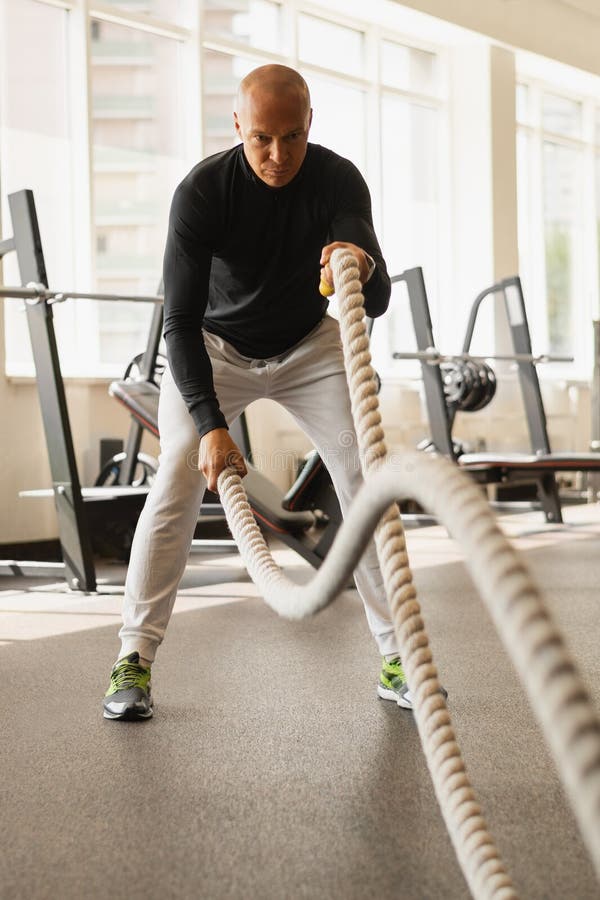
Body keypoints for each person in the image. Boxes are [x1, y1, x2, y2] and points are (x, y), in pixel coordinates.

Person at [102, 64, 413, 720]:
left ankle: (397, 656)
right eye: (263, 139)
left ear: (310, 126)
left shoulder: (337, 179)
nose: (279, 156)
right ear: (237, 126)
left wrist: (358, 263)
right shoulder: (203, 192)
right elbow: (179, 325)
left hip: (308, 345)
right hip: (215, 347)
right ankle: (133, 657)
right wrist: (211, 425)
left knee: (365, 477)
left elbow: (378, 299)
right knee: (176, 481)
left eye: (293, 137)